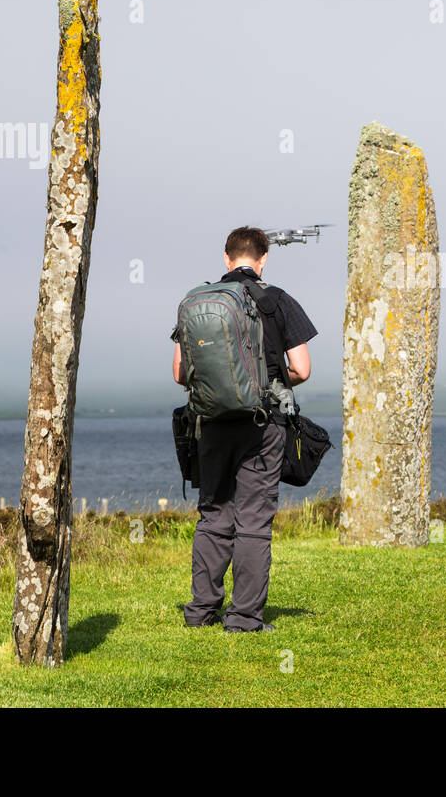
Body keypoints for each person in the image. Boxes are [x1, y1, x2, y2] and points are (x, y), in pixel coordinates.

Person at [175, 226, 317, 632]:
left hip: (212, 423)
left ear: (226, 258)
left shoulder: (195, 301)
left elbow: (179, 372)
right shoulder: (277, 300)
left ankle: (202, 611)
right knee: (253, 521)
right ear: (263, 259)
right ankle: (243, 618)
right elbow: (302, 369)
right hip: (263, 424)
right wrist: (270, 384)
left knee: (213, 515)